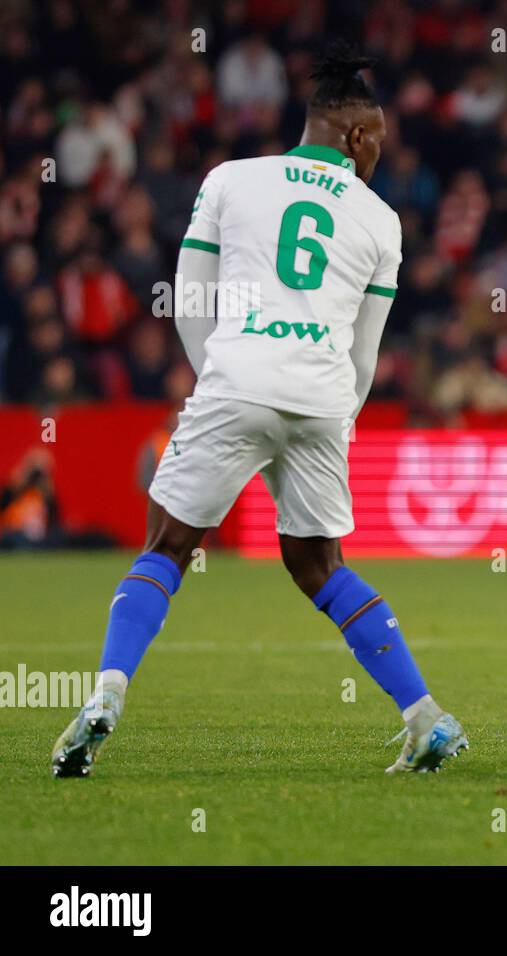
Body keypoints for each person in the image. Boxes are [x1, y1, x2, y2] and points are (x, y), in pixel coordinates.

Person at [51, 45, 468, 777]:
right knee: (320, 567)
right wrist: (339, 418)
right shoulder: (381, 220)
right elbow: (363, 353)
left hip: (235, 376)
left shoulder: (230, 179)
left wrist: (221, 376)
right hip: (320, 396)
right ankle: (426, 716)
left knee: (168, 547)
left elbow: (189, 299)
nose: (379, 157)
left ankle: (106, 696)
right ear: (359, 137)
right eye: (379, 143)